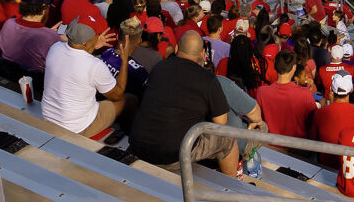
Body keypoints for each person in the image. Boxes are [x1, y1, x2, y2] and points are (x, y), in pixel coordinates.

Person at [129, 30, 239, 174]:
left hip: (137, 147)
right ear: (202, 54)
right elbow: (221, 122)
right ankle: (232, 187)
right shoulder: (208, 79)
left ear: (176, 48)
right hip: (171, 156)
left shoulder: (159, 67)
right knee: (228, 138)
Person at [43, 20, 139, 139]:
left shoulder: (55, 47)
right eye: (95, 37)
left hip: (48, 116)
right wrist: (124, 61)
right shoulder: (94, 65)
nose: (98, 37)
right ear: (84, 43)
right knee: (130, 100)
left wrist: (92, 46)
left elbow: (76, 58)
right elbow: (118, 94)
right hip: (77, 127)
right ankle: (126, 137)